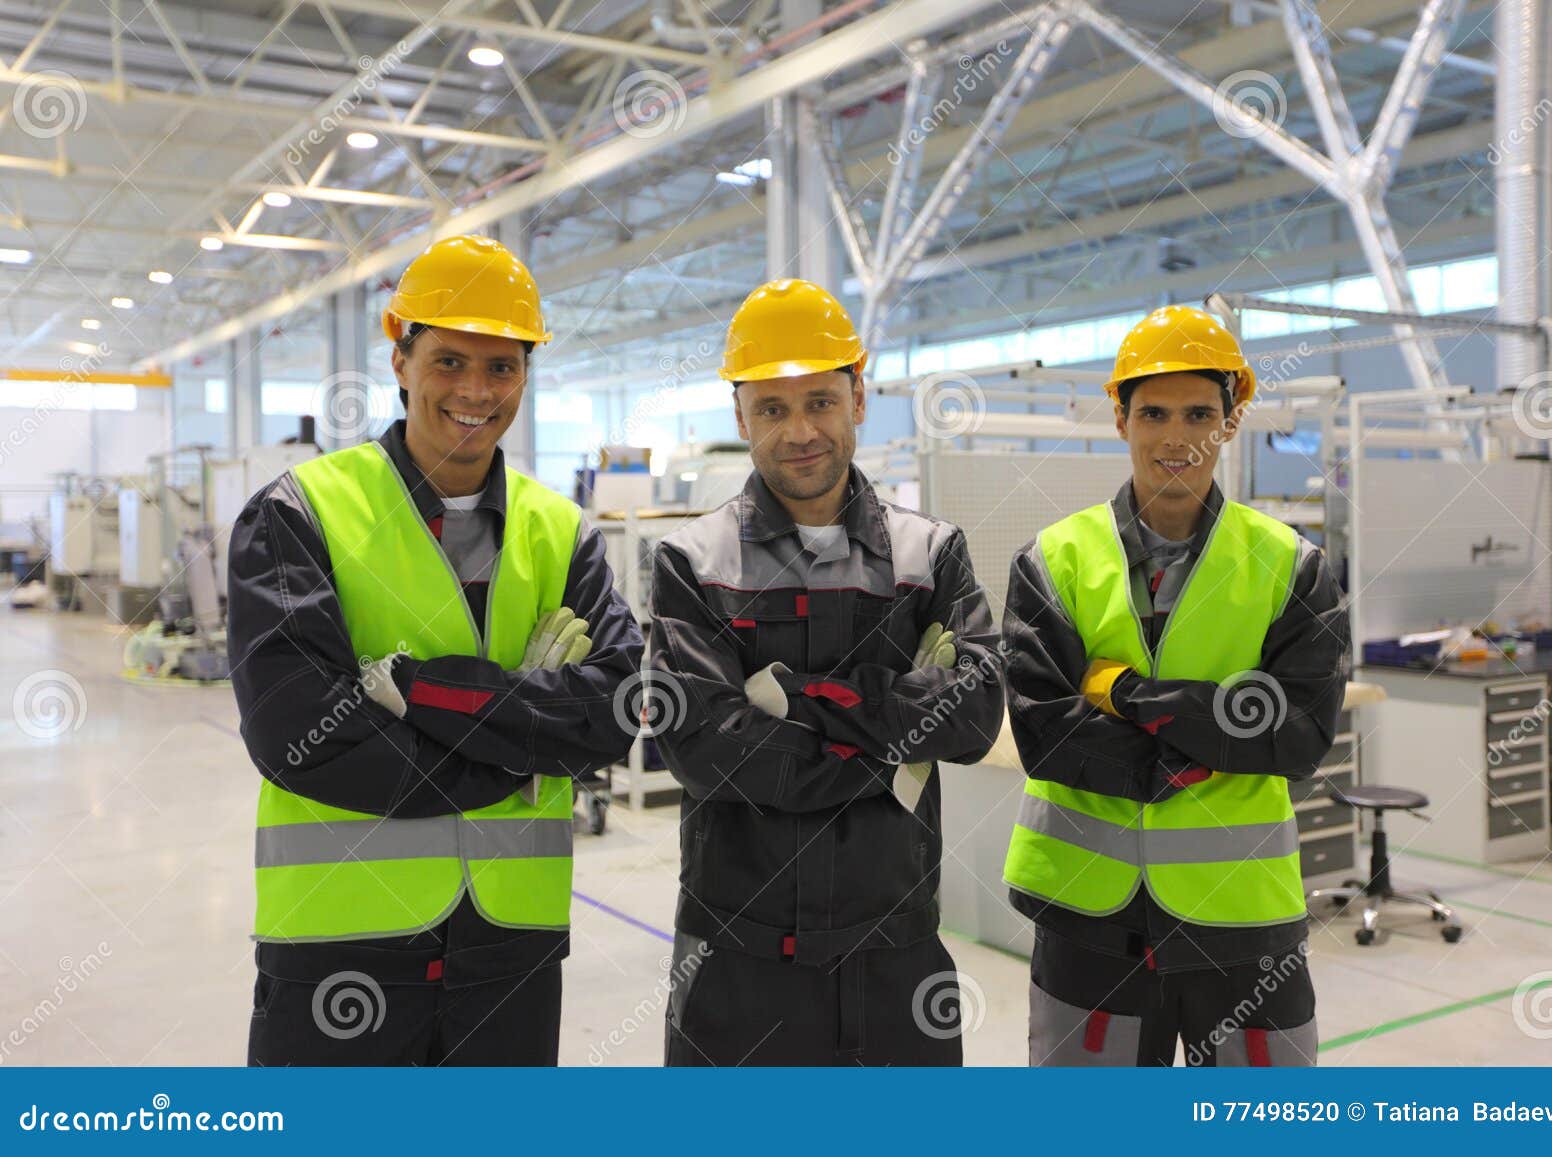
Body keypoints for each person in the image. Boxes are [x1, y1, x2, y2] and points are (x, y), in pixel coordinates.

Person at [228, 234, 642, 1066]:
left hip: (511, 947)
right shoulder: (300, 513)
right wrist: (524, 754)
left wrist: (422, 693)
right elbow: (301, 735)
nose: (475, 391)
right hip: (342, 943)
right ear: (400, 358)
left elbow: (618, 711)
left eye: (502, 368)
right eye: (449, 360)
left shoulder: (558, 532)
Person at [648, 279, 1004, 1065]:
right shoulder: (692, 561)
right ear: (740, 415)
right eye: (772, 409)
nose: (800, 430)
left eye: (820, 401)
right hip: (735, 960)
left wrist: (793, 705)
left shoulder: (930, 553)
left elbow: (975, 718)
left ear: (859, 397)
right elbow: (706, 749)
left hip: (897, 951)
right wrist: (891, 743)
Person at [1002, 304, 1349, 1067]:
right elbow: (1046, 735)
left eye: (1201, 412)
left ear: (1231, 421)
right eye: (1154, 412)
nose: (1177, 437)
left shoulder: (1293, 567)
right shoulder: (1052, 561)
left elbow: (1297, 735)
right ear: (1120, 416)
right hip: (1087, 916)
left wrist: (1125, 694)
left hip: (1244, 918)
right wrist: (1202, 744)